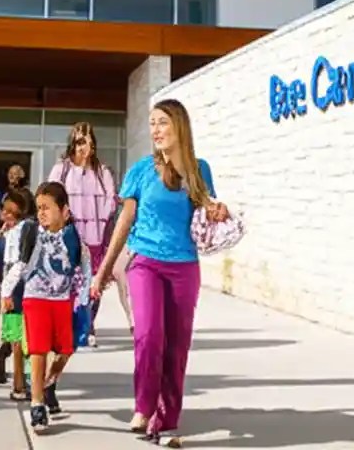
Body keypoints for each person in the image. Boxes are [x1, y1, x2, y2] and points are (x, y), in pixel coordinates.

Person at [92, 98, 230, 448]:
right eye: (152, 123)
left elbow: (206, 211)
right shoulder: (141, 170)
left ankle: (166, 419)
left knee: (177, 345)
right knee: (149, 335)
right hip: (146, 263)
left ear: (179, 127)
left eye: (162, 122)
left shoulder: (199, 170)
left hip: (185, 266)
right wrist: (103, 270)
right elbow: (124, 222)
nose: (155, 130)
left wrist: (219, 210)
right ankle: (144, 406)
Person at [2, 181, 92, 435]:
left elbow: (85, 264)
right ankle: (37, 403)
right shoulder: (33, 233)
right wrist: (6, 290)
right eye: (39, 208)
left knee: (65, 350)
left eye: (47, 208)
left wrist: (85, 294)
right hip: (35, 298)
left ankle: (48, 383)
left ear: (64, 211)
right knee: (39, 349)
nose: (41, 213)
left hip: (62, 300)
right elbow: (21, 264)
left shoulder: (72, 236)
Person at [46, 121, 130, 346]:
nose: (84, 146)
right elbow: (50, 201)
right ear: (72, 144)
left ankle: (87, 326)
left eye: (88, 141)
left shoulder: (103, 173)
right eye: (80, 141)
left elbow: (111, 205)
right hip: (68, 238)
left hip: (95, 239)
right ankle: (65, 327)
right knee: (65, 284)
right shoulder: (61, 170)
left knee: (93, 285)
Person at [0, 187, 35, 396]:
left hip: (19, 285)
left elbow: (21, 262)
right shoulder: (12, 229)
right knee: (14, 335)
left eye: (10, 211)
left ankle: (24, 381)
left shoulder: (27, 227)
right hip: (11, 284)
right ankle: (17, 380)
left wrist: (6, 291)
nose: (5, 214)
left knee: (22, 339)